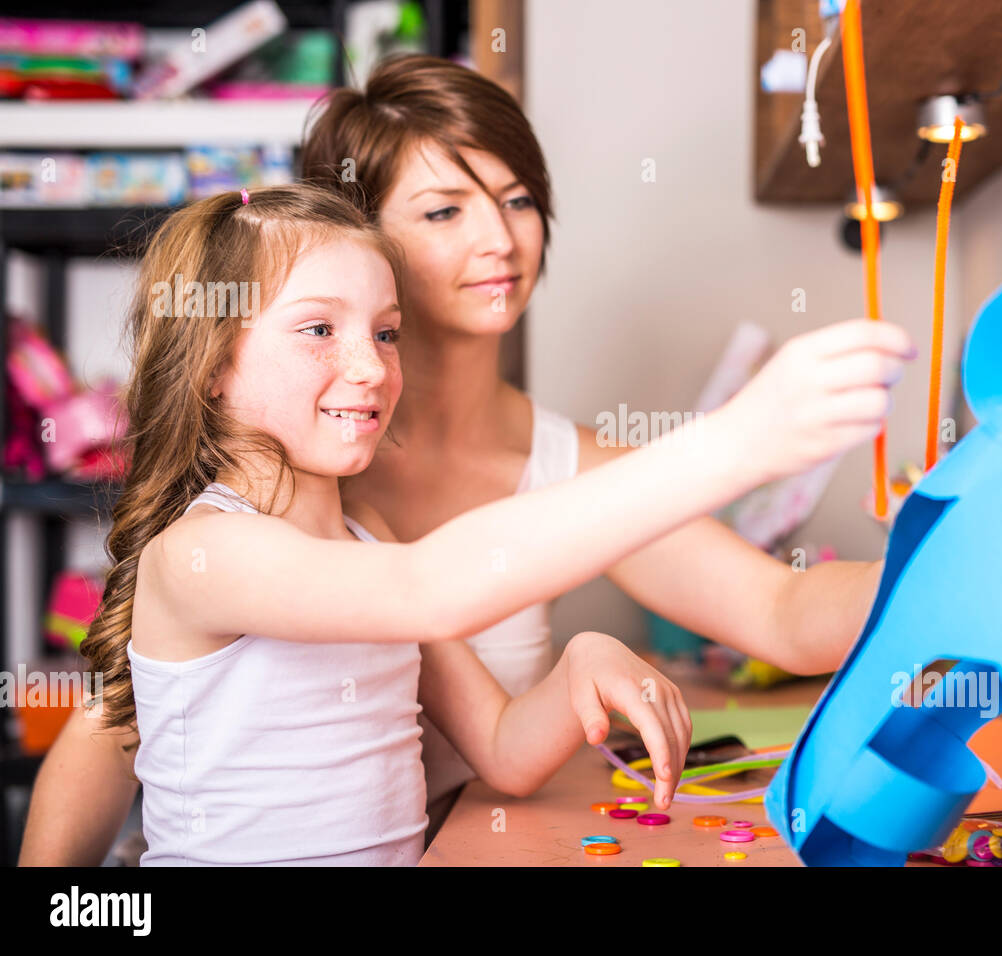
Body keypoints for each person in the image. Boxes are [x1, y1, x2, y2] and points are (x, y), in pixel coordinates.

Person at [19, 57, 914, 865]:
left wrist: (956, 555)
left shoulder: (371, 522)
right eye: (446, 209)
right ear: (353, 228)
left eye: (519, 199)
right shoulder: (260, 516)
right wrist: (736, 440)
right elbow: (120, 724)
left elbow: (782, 610)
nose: (501, 237)